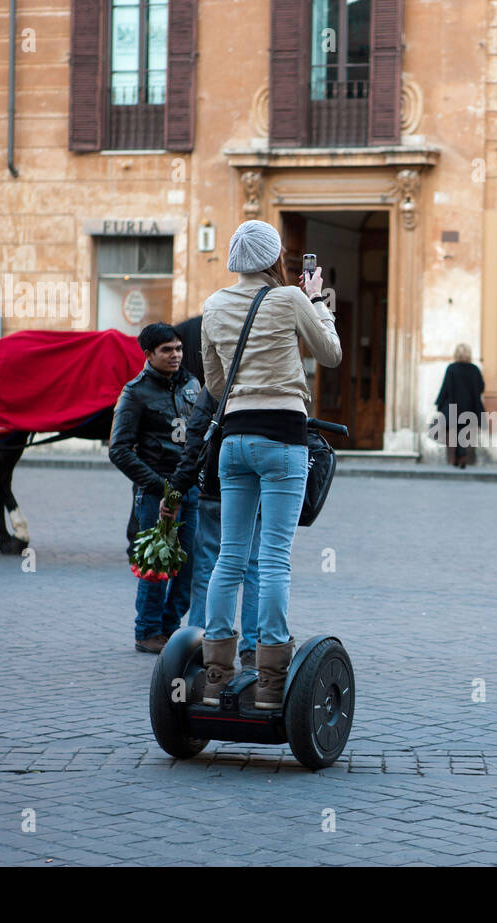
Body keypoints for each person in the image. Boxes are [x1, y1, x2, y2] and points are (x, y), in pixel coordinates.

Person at [200, 220, 341, 709]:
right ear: (275, 258)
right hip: (283, 435)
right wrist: (319, 302)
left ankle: (216, 674)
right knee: (275, 557)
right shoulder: (289, 298)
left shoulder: (213, 305)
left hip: (234, 439)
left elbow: (215, 386)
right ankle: (270, 682)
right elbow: (331, 354)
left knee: (230, 555)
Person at [109, 322, 202, 653]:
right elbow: (118, 450)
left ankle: (170, 629)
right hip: (156, 495)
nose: (176, 355)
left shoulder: (192, 384)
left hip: (190, 488)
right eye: (167, 350)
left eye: (178, 348)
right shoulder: (134, 393)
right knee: (157, 564)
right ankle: (147, 632)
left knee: (188, 564)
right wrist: (161, 487)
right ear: (148, 354)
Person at [167, 386, 264, 664]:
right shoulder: (267, 380)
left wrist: (175, 491)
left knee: (208, 566)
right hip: (255, 486)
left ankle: (197, 643)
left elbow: (194, 439)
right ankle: (252, 649)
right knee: (253, 566)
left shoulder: (216, 384)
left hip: (214, 484)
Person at [435, 344, 485, 468]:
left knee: (453, 433)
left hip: (453, 407)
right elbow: (481, 387)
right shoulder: (474, 369)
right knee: (465, 433)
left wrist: (439, 404)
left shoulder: (452, 368)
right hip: (470, 407)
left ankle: (454, 459)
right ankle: (463, 457)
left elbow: (445, 388)